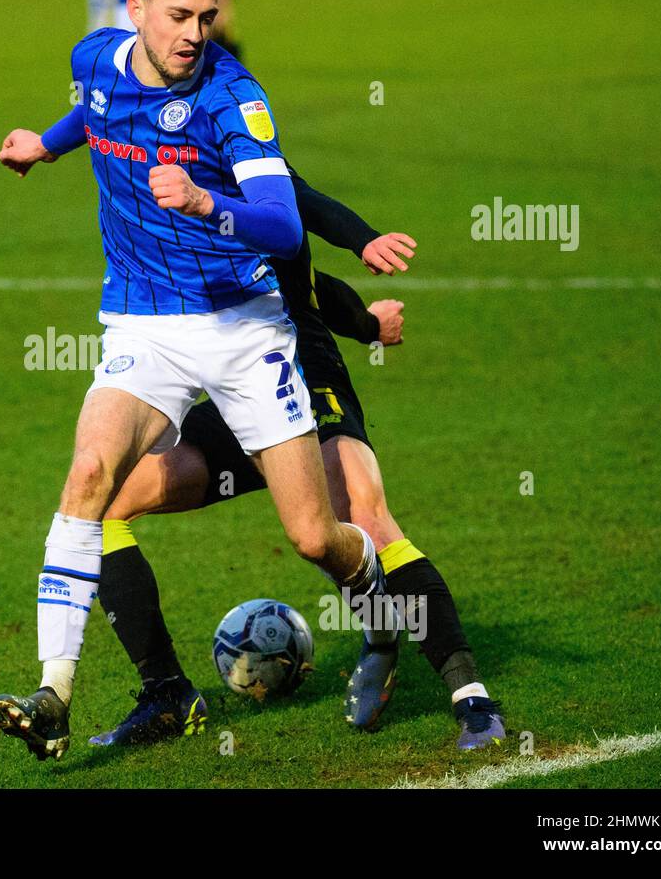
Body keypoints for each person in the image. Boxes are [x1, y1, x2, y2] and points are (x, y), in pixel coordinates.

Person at [0, 0, 401, 761]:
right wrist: (47, 142)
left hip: (246, 333)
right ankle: (54, 693)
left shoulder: (233, 98)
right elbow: (99, 110)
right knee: (88, 477)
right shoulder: (96, 58)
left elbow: (284, 223)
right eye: (179, 16)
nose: (195, 34)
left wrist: (209, 200)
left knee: (315, 536)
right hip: (144, 324)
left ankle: (379, 599)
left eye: (208, 17)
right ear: (134, 11)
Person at [91, 167, 506, 751]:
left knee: (363, 514)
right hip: (235, 391)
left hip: (305, 378)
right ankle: (166, 695)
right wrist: (47, 144)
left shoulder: (250, 159)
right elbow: (311, 283)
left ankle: (472, 700)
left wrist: (364, 252)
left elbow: (307, 235)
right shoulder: (158, 164)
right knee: (105, 508)